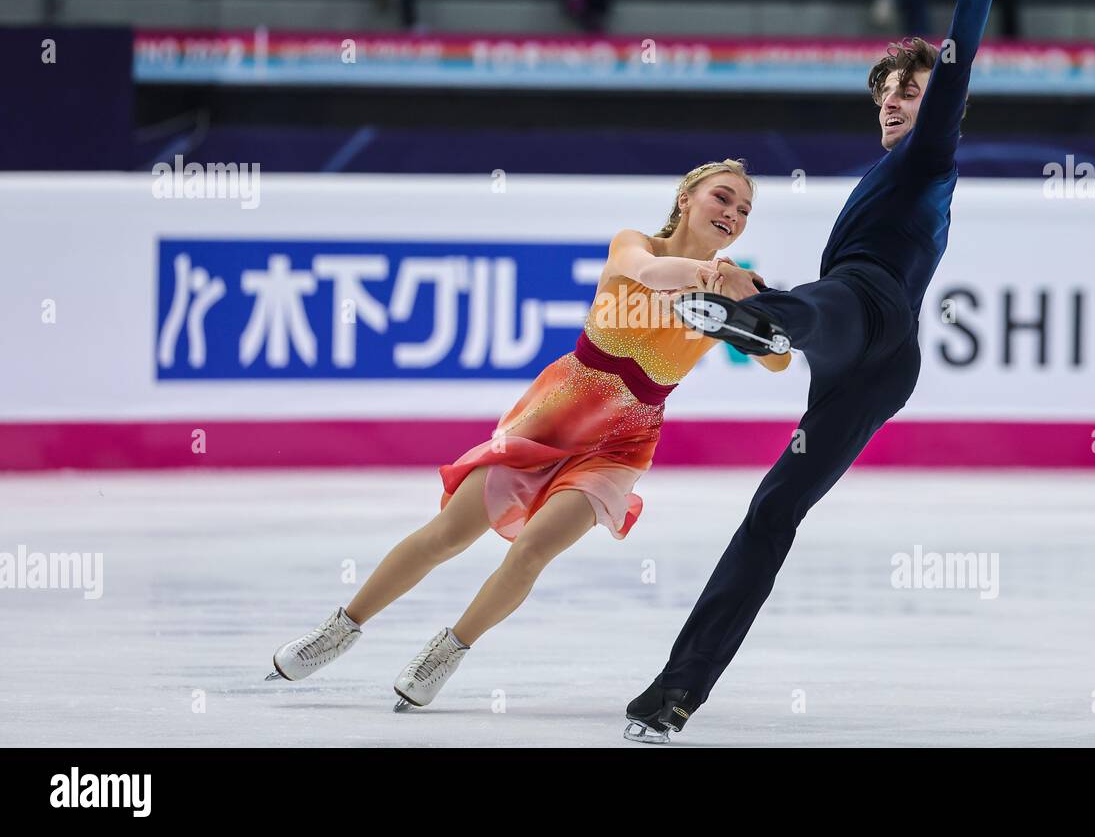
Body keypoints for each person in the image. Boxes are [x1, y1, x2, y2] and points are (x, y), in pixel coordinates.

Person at [624, 0, 1024, 743]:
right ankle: (676, 690)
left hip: (870, 315)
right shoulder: (888, 172)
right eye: (884, 93)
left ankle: (762, 322)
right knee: (772, 512)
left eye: (906, 92)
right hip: (862, 363)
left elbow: (950, 83)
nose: (892, 103)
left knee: (830, 297)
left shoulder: (930, 156)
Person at [265, 160, 792, 711]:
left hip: (624, 442)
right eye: (722, 198)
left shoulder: (733, 284)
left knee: (533, 550)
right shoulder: (636, 244)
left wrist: (747, 310)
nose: (732, 214)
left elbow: (780, 360)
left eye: (744, 210)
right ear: (686, 198)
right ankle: (339, 630)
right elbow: (648, 273)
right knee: (449, 533)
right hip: (557, 414)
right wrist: (710, 279)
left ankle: (448, 650)